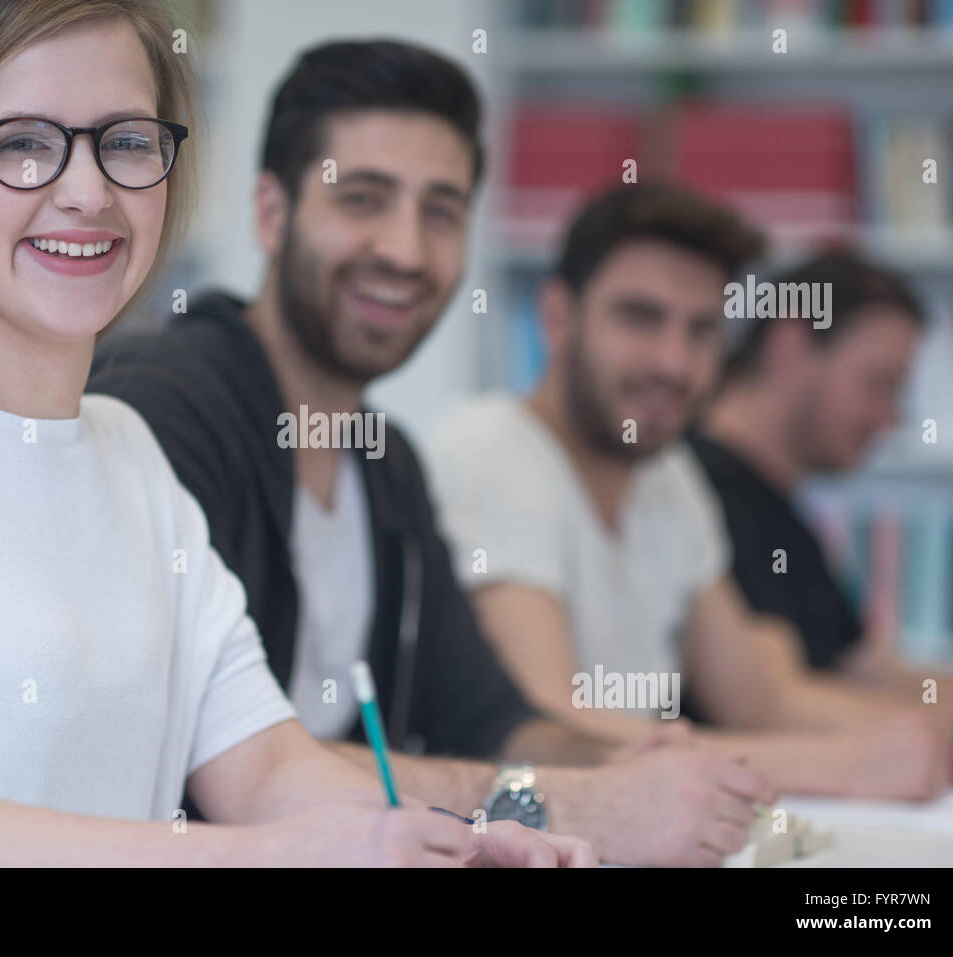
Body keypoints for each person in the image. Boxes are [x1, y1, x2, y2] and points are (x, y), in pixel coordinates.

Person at [0, 0, 593, 869]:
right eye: (25, 144)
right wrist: (265, 857)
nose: (89, 191)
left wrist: (461, 842)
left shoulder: (131, 455)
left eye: (125, 143)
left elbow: (269, 769)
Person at [88, 40, 771, 867]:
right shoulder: (163, 411)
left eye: (440, 212)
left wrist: (633, 765)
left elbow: (494, 720)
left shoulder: (388, 465)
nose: (406, 251)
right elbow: (204, 758)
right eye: (365, 199)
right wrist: (569, 799)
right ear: (272, 212)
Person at [426, 182, 953, 800]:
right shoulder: (490, 449)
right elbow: (547, 725)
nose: (673, 364)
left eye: (700, 330)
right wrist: (838, 764)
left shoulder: (668, 474)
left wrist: (932, 735)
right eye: (640, 318)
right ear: (557, 317)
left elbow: (759, 698)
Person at [690, 249, 953, 783]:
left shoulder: (781, 512)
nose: (889, 418)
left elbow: (865, 668)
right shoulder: (700, 490)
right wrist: (948, 729)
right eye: (879, 383)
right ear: (792, 348)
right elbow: (774, 702)